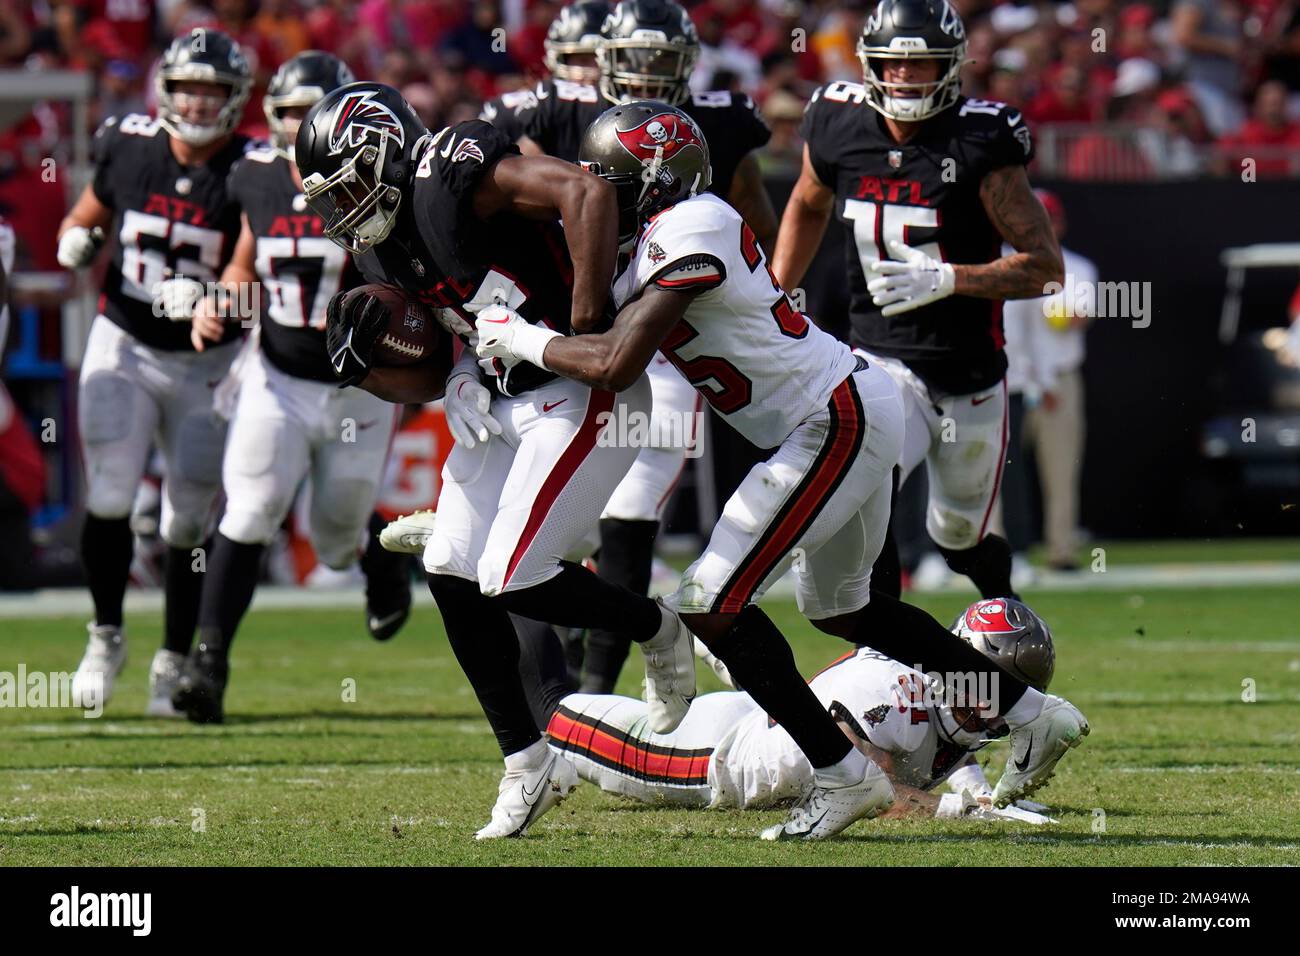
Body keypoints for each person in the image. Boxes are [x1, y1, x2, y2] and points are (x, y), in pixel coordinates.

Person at [476, 99, 1090, 838]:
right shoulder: (650, 243)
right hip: (837, 413)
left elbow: (610, 361)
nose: (591, 197)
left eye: (606, 182)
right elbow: (585, 328)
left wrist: (517, 335)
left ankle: (840, 773)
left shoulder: (691, 226)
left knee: (710, 601)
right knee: (849, 609)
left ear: (652, 183)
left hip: (833, 416)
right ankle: (1032, 713)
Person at [297, 80, 697, 839]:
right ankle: (527, 762)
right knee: (450, 565)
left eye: (346, 184)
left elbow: (584, 194)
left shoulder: (448, 172)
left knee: (511, 575)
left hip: (579, 392)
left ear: (382, 151)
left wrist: (587, 328)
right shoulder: (383, 242)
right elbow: (450, 329)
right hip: (503, 395)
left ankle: (657, 624)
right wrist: (449, 376)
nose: (339, 208)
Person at [479, 0, 774, 694]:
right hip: (575, 330)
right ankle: (557, 686)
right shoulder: (551, 114)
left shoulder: (719, 126)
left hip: (666, 341)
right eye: (633, 59)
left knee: (632, 506)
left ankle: (596, 689)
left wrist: (774, 287)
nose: (646, 74)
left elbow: (758, 217)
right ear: (601, 62)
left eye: (661, 61)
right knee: (543, 521)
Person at [772, 0, 1066, 604]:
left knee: (959, 535)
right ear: (870, 64)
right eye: (894, 65)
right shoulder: (837, 120)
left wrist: (952, 279)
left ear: (952, 66)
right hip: (880, 362)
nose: (907, 78)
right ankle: (875, 648)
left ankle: (1006, 618)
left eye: (923, 64)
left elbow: (1045, 271)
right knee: (867, 493)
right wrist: (776, 290)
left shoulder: (981, 137)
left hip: (969, 371)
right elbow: (807, 201)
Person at [175, 52, 413, 723]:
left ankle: (379, 557)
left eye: (308, 113)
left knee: (334, 539)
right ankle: (208, 663)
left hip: (359, 387)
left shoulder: (375, 176)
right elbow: (247, 254)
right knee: (249, 510)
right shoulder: (253, 174)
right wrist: (219, 298)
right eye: (285, 113)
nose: (295, 126)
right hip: (278, 373)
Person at [56, 30, 256, 714]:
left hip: (206, 360)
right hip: (125, 341)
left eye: (213, 91)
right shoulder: (128, 142)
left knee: (185, 523)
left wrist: (212, 301)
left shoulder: (247, 168)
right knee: (109, 495)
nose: (198, 104)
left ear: (234, 99)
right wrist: (74, 239)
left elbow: (243, 274)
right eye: (188, 88)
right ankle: (106, 633)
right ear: (165, 91)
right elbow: (88, 213)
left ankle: (172, 657)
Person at [538, 598, 1058, 825]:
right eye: (997, 689)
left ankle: (728, 656)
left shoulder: (948, 700)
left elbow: (946, 743)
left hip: (775, 721)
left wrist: (977, 788)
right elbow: (875, 797)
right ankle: (512, 585)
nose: (1001, 712)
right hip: (720, 758)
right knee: (556, 715)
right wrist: (966, 810)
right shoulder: (890, 690)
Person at [1002, 189, 1095, 572]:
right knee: (996, 471)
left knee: (1060, 466)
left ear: (1059, 223)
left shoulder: (1077, 268)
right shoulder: (1002, 263)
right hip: (1009, 381)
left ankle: (1062, 549)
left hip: (1060, 378)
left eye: (1049, 218)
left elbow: (1076, 317)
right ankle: (997, 553)